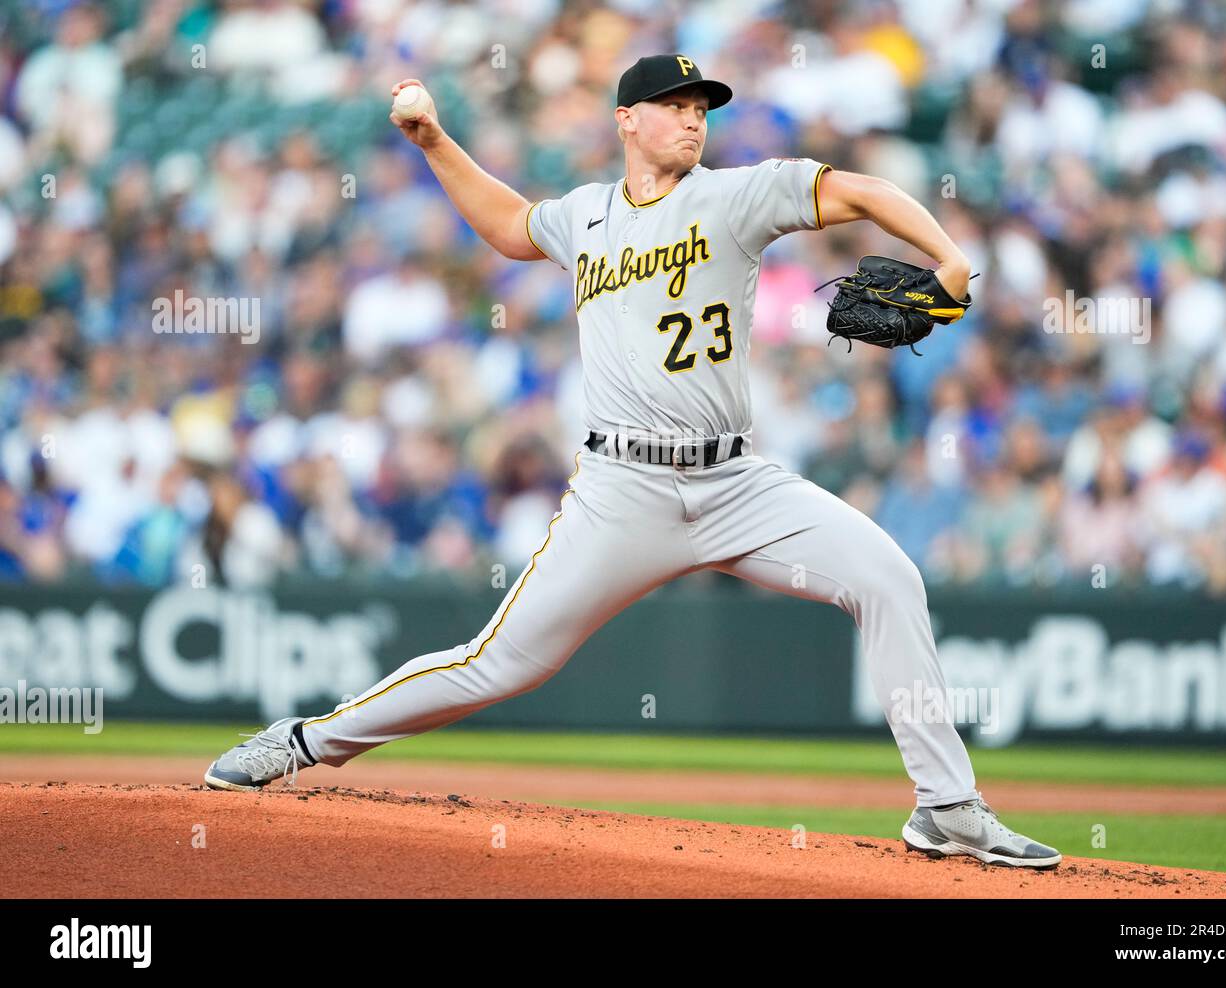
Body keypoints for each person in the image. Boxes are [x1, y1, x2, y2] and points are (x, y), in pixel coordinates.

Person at [204, 55, 1061, 869]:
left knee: (887, 578)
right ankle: (304, 740)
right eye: (677, 108)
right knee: (498, 662)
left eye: (702, 110)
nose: (694, 121)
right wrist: (433, 141)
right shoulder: (584, 216)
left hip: (737, 483)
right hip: (623, 491)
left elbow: (861, 189)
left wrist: (948, 257)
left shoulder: (736, 196)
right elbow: (507, 226)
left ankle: (945, 807)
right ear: (628, 120)